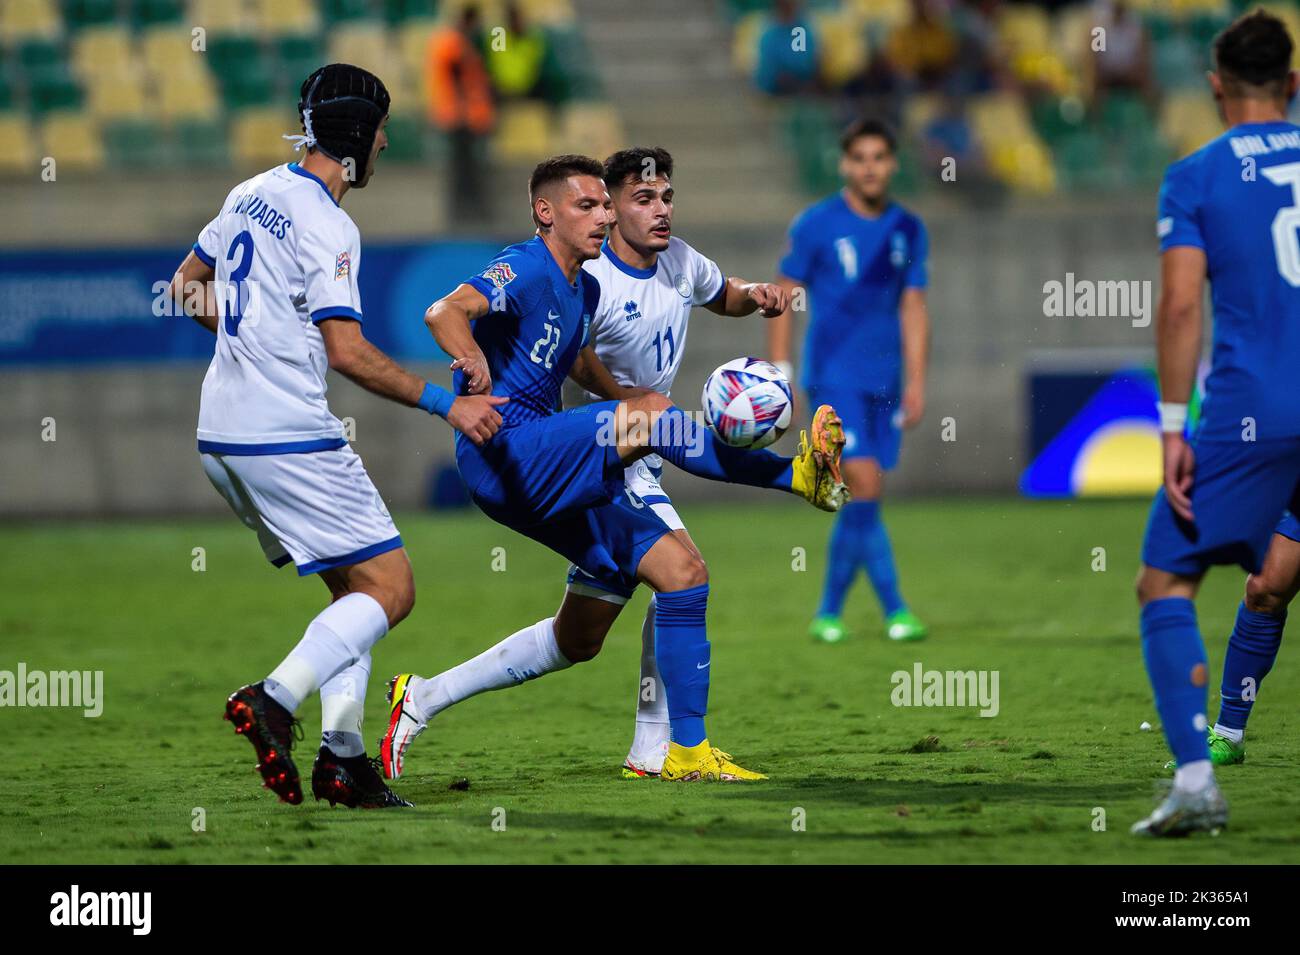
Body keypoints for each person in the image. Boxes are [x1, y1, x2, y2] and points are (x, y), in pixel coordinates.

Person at [379, 154, 847, 784]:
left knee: (665, 586)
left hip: (557, 466)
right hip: (507, 450)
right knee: (651, 414)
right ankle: (794, 477)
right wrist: (471, 363)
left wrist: (626, 401)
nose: (602, 217)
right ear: (545, 213)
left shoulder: (588, 287)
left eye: (604, 205)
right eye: (588, 206)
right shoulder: (524, 265)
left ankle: (423, 698)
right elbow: (444, 312)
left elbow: (576, 361)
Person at [167, 64, 504, 809]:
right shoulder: (330, 224)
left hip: (221, 433)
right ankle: (275, 698)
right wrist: (446, 404)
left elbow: (186, 283)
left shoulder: (249, 192)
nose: (386, 141)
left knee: (354, 591)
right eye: (381, 130)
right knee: (393, 587)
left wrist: (250, 336)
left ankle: (343, 759)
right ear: (357, 142)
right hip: (287, 434)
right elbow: (348, 352)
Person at [1132, 10, 1299, 836]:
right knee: (1271, 580)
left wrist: (1172, 427)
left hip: (1252, 412)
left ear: (1214, 87)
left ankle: (1196, 780)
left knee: (1164, 580)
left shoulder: (1195, 176)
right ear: (1294, 84)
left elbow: (1177, 304)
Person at [575, 145, 794, 778]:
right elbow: (569, 355)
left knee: (576, 640)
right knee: (685, 575)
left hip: (646, 457)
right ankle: (683, 751)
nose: (662, 209)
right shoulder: (592, 277)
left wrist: (753, 293)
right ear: (610, 208)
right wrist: (629, 402)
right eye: (644, 199)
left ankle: (423, 696)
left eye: (667, 196)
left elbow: (717, 293)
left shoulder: (678, 259)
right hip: (600, 458)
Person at [769, 118, 931, 645]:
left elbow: (913, 306)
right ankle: (896, 609)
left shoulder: (909, 229)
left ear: (892, 164)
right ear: (845, 164)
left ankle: (828, 612)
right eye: (859, 157)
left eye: (879, 157)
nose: (869, 167)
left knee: (863, 496)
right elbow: (784, 296)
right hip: (835, 378)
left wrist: (917, 380)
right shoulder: (816, 224)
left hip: (886, 382)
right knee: (864, 484)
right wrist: (783, 374)